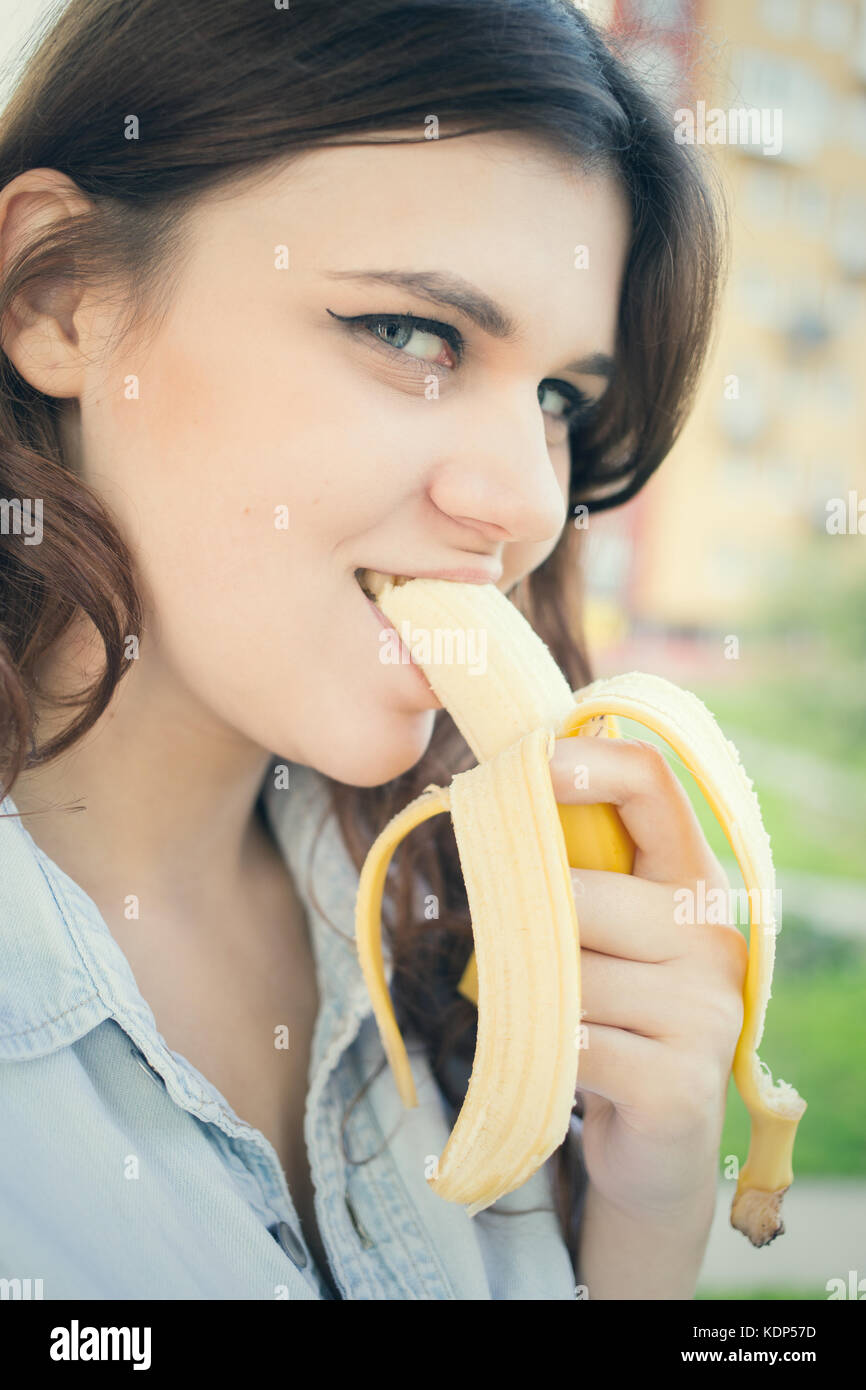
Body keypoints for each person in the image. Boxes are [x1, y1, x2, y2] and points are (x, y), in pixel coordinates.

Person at [0, 0, 743, 1300]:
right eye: (411, 334)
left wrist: (644, 1214)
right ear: (61, 295)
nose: (522, 503)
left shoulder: (448, 935)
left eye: (560, 400)